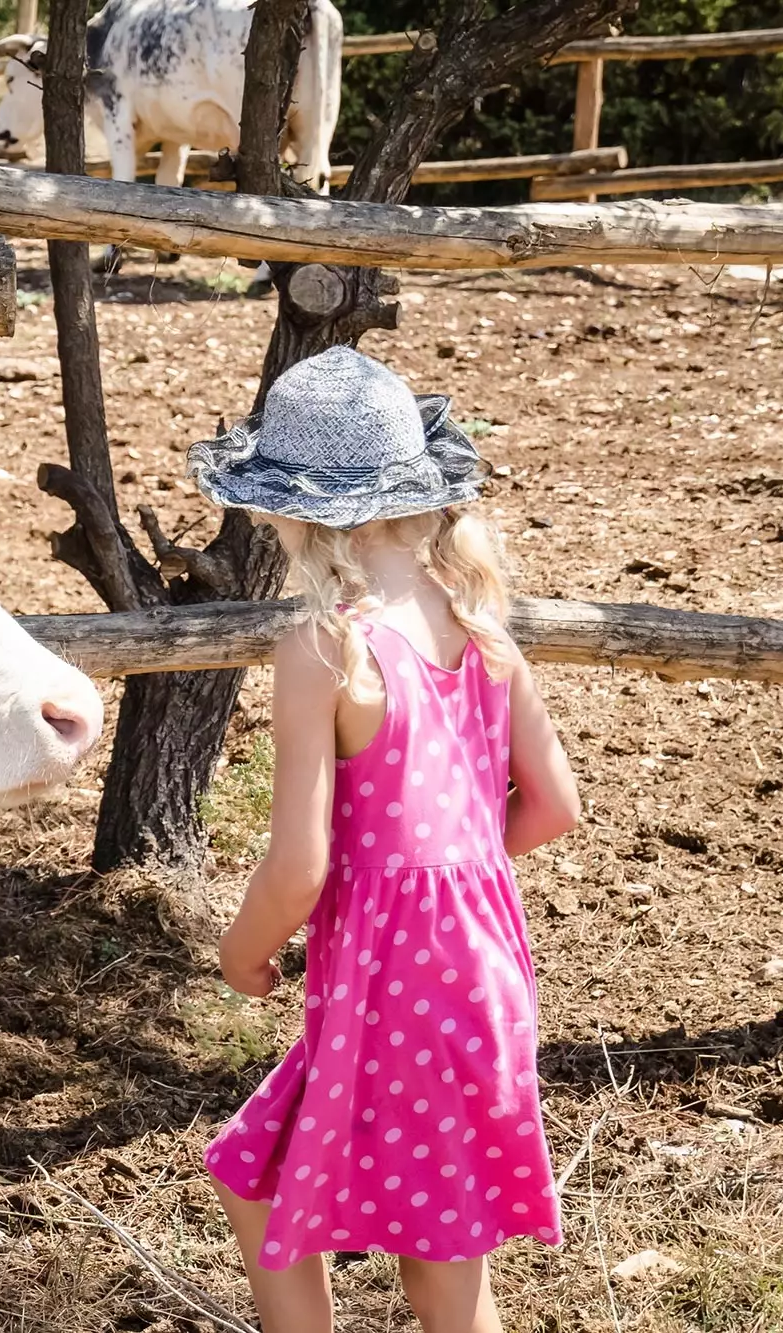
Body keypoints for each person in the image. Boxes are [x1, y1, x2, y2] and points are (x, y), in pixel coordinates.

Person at [186, 346, 583, 1333]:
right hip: (479, 979)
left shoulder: (325, 643)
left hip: (388, 988)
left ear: (290, 508)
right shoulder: (477, 623)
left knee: (437, 1274)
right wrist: (448, 866)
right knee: (259, 1171)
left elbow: (298, 863)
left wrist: (242, 950)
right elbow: (552, 806)